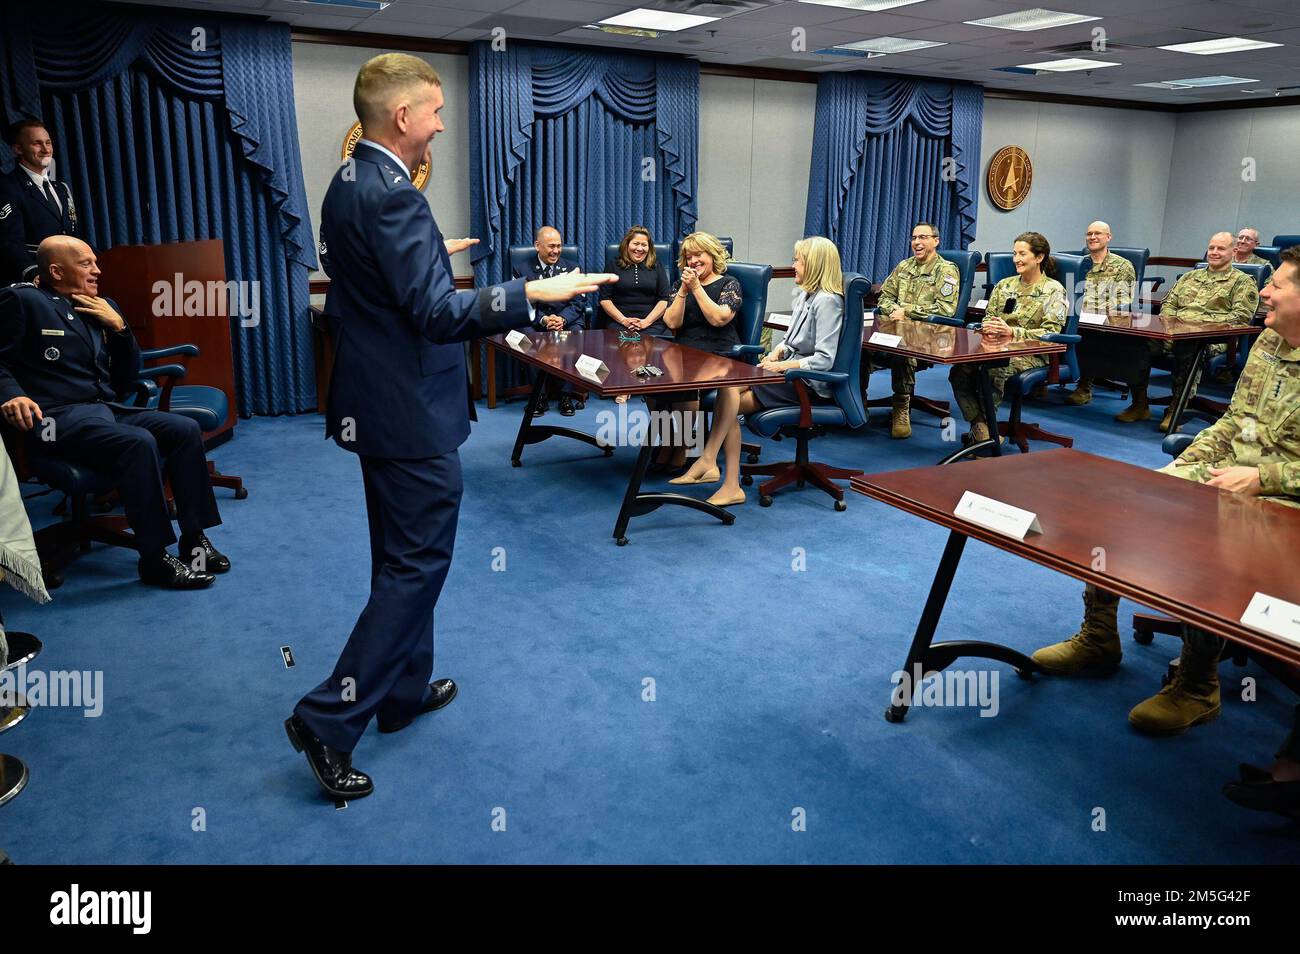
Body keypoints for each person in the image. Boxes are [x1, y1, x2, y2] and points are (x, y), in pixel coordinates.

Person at [286, 53, 612, 801]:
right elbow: (435, 315)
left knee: (398, 558)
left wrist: (435, 253)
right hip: (410, 414)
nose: (439, 123)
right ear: (403, 117)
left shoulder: (349, 180)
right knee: (415, 565)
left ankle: (400, 693)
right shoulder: (395, 196)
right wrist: (531, 290)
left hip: (373, 403)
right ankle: (326, 718)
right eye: (434, 111)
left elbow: (376, 283)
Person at [1031, 246, 1300, 737]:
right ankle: (1098, 637)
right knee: (1122, 507)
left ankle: (1199, 684)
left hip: (1285, 497)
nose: (1264, 290)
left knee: (1212, 543)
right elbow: (1232, 425)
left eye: (1278, 285)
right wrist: (1177, 471)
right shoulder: (1268, 343)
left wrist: (1264, 479)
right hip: (1227, 472)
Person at [0, 236, 227, 590]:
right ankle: (154, 558)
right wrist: (11, 395)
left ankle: (194, 540)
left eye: (95, 262)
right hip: (54, 418)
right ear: (57, 271)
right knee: (138, 442)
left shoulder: (101, 305)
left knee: (182, 429)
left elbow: (127, 375)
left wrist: (119, 329)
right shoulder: (23, 301)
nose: (97, 270)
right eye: (86, 263)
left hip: (104, 408)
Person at [673, 237, 844, 507]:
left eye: (798, 260)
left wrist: (782, 365)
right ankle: (725, 480)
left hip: (806, 383)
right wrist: (777, 353)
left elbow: (824, 359)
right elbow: (792, 342)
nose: (793, 265)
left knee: (727, 402)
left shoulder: (828, 301)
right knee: (729, 388)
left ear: (814, 264)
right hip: (786, 373)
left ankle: (712, 463)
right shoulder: (805, 295)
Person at [1109, 232, 1258, 430]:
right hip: (1173, 331)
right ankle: (1140, 404)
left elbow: (1239, 318)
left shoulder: (1243, 282)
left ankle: (1176, 409)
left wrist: (1195, 326)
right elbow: (1168, 304)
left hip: (1211, 339)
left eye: (1221, 248)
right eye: (1211, 247)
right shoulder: (1189, 277)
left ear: (1234, 251)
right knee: (1138, 343)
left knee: (1188, 346)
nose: (1214, 252)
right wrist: (1173, 325)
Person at [948, 231, 1066, 445]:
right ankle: (982, 427)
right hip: (993, 348)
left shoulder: (1053, 290)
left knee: (994, 370)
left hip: (1031, 353)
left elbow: (1050, 335)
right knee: (960, 370)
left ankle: (985, 437)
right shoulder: (1005, 285)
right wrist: (989, 327)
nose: (1016, 259)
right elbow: (988, 318)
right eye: (1014, 254)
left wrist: (1013, 332)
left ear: (1039, 258)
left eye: (1022, 254)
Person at [657, 231, 741, 476]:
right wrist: (684, 290)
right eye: (688, 256)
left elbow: (718, 318)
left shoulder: (730, 283)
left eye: (698, 255)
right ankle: (669, 440)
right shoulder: (679, 285)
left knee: (685, 385)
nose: (693, 261)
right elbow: (672, 323)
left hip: (719, 352)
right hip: (684, 351)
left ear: (712, 255)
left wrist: (696, 288)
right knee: (650, 384)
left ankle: (683, 445)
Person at [874, 223, 961, 438]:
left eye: (923, 237)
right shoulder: (904, 266)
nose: (917, 243)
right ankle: (856, 402)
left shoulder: (946, 270)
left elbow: (946, 309)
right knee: (860, 346)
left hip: (931, 335)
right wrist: (895, 309)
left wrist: (908, 311)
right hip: (896, 329)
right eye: (914, 238)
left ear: (936, 241)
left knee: (903, 349)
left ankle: (902, 405)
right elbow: (885, 297)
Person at [514, 226, 585, 417]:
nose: (556, 251)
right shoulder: (522, 269)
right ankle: (539, 397)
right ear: (538, 246)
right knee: (527, 337)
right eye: (551, 246)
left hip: (566, 319)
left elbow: (579, 302)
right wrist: (544, 320)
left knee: (573, 333)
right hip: (536, 321)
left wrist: (562, 319)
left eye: (559, 246)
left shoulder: (572, 268)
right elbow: (521, 303)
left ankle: (566, 396)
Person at [1064, 221, 1138, 406]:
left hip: (1103, 320)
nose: (1093, 237)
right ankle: (1045, 379)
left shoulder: (1122, 266)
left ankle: (1084, 387)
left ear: (1108, 237)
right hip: (1075, 314)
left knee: (1087, 335)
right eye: (1089, 233)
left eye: (1098, 233)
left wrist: (1089, 310)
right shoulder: (1079, 263)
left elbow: (1122, 301)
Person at [0, 120, 81, 286]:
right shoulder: (8, 187)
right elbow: (10, 241)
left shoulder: (61, 188)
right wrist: (32, 272)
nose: (46, 149)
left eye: (48, 142)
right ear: (18, 149)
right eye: (37, 143)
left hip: (69, 275)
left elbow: (71, 234)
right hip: (38, 279)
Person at [600, 226, 671, 337]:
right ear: (627, 245)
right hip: (619, 323)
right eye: (636, 243)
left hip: (652, 324)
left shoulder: (657, 266)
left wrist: (645, 322)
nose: (639, 249)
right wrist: (623, 320)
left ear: (649, 248)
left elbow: (664, 299)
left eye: (644, 245)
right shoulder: (613, 265)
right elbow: (605, 299)